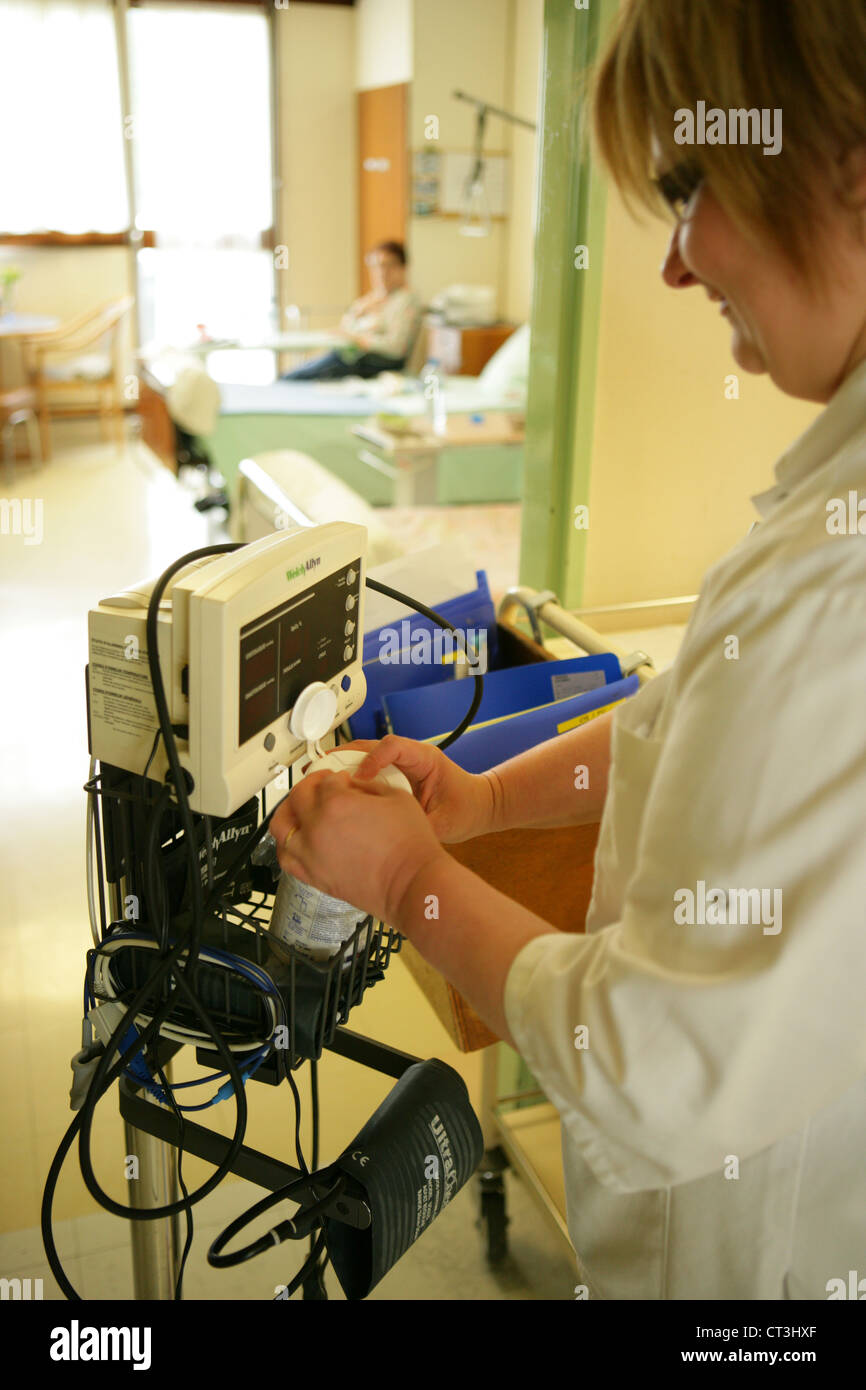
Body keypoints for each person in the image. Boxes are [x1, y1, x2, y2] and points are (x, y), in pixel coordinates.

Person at [270, 0, 866, 1300]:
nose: (671, 263)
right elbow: (680, 720)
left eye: (689, 185)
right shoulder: (823, 519)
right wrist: (484, 798)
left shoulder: (837, 587)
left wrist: (411, 885)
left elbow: (649, 1067)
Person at [281, 241, 421, 381]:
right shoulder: (374, 299)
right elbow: (346, 326)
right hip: (351, 356)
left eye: (387, 265)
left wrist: (358, 340)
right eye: (376, 266)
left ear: (403, 268)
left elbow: (395, 347)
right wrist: (358, 312)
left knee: (296, 378)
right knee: (300, 371)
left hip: (377, 362)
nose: (381, 273)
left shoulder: (406, 301)